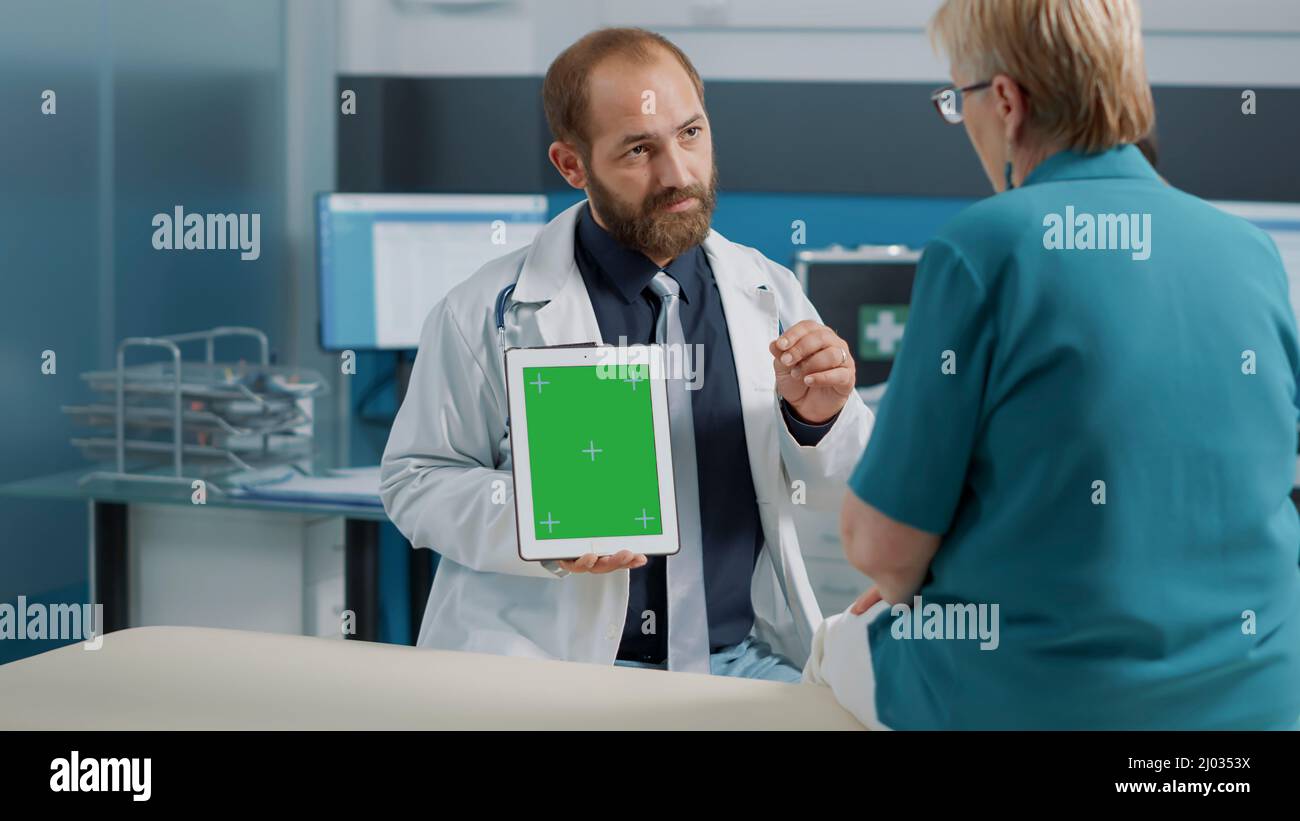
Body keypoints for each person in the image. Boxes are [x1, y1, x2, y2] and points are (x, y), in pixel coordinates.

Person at [804, 0, 1300, 728]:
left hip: (1042, 700)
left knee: (831, 646)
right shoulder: (1251, 253)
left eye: (959, 101)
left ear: (1006, 101)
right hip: (1257, 705)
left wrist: (927, 582)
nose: (963, 122)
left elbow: (881, 547)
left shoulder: (984, 247)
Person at [381, 28, 873, 680]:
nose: (679, 174)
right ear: (572, 165)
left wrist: (819, 418)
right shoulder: (484, 310)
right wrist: (542, 522)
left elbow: (848, 484)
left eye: (690, 134)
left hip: (739, 662)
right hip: (556, 667)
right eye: (639, 149)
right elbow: (416, 480)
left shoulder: (769, 291)